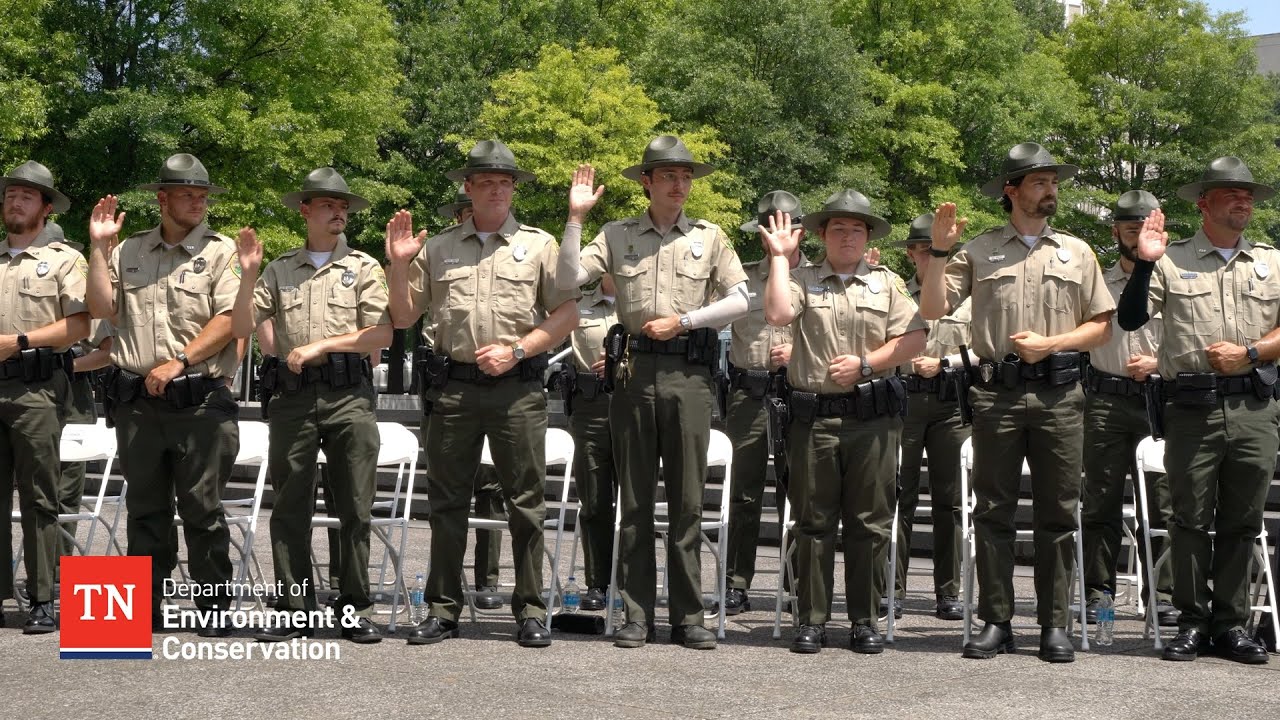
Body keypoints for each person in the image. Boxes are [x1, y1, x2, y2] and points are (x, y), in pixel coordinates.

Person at [919, 142, 1114, 663]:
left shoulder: (1077, 251)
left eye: (1053, 182)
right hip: (996, 395)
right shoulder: (980, 250)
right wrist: (938, 252)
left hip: (1060, 395)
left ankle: (1054, 624)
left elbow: (1100, 328)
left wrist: (1052, 344)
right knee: (993, 511)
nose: (1051, 190)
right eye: (1039, 182)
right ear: (1012, 191)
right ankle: (997, 620)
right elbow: (934, 307)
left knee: (1058, 512)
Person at [555, 137, 751, 649]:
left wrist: (685, 321)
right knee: (636, 502)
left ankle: (689, 617)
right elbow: (567, 278)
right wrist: (575, 219)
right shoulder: (618, 235)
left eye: (686, 176)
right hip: (634, 372)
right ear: (647, 181)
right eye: (668, 176)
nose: (680, 185)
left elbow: (741, 299)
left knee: (687, 501)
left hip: (689, 376)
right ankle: (637, 614)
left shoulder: (709, 238)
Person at [386, 140, 578, 647]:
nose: (496, 190)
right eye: (486, 182)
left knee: (526, 502)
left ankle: (531, 610)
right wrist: (401, 264)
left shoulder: (539, 245)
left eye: (504, 182)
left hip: (516, 388)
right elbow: (404, 317)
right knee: (447, 501)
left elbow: (566, 314)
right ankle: (443, 609)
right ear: (467, 188)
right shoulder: (439, 247)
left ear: (514, 189)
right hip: (452, 388)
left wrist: (518, 350)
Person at [1118, 156, 1278, 664]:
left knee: (1242, 518)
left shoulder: (1272, 262)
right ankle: (1191, 620)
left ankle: (1231, 625)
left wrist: (1250, 353)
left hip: (1253, 407)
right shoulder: (1171, 259)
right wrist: (1144, 261)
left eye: (1248, 194)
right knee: (1187, 518)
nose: (1243, 201)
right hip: (1191, 408)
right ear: (1204, 203)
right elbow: (1129, 317)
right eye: (1232, 193)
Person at [760, 192, 926, 654]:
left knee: (869, 523)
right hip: (813, 419)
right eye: (838, 228)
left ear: (868, 235)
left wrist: (867, 365)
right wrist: (778, 258)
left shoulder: (887, 284)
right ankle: (810, 619)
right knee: (812, 523)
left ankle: (863, 619)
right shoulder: (800, 280)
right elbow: (776, 313)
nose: (848, 236)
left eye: (857, 228)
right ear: (820, 235)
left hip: (872, 420)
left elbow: (914, 338)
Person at [86, 153, 242, 635]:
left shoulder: (221, 252)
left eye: (203, 195)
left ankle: (214, 608)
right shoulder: (128, 250)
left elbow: (231, 318)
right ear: (163, 198)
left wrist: (181, 360)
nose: (199, 202)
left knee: (202, 509)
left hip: (197, 401)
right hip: (135, 402)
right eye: (188, 194)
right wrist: (98, 250)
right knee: (144, 510)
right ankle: (139, 612)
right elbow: (100, 308)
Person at [233, 167, 390, 643]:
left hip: (349, 397)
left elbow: (381, 334)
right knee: (290, 505)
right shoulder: (279, 270)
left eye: (342, 206)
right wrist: (247, 275)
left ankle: (351, 605)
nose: (338, 211)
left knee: (355, 506)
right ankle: (293, 607)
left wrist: (323, 346)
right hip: (294, 398)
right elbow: (242, 325)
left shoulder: (363, 267)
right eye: (327, 204)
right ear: (305, 210)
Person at [1079, 190, 1177, 629]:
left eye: (1145, 228)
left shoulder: (1177, 278)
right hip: (1105, 401)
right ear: (1116, 231)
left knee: (1163, 504)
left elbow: (1194, 339)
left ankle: (1165, 594)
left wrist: (1160, 363)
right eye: (1129, 228)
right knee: (1099, 500)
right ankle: (1098, 593)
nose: (1137, 236)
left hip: (1160, 398)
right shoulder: (1097, 282)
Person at [0, 160, 90, 633]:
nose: (15, 201)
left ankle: (42, 598)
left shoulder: (64, 261)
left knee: (40, 497)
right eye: (11, 194)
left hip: (35, 388)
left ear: (45, 207)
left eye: (27, 196)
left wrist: (19, 341)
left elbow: (80, 325)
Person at [722, 190, 808, 616]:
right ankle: (736, 582)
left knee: (800, 493)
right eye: (767, 228)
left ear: (800, 232)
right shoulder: (739, 276)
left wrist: (799, 354)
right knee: (743, 494)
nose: (774, 236)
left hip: (800, 395)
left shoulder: (816, 278)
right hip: (748, 394)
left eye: (785, 227)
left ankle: (798, 585)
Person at [882, 212, 971, 622]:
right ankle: (892, 589)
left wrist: (947, 362)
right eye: (917, 251)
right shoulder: (896, 297)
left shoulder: (966, 300)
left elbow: (981, 349)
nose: (923, 257)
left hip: (950, 402)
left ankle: (948, 592)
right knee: (899, 496)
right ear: (911, 255)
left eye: (930, 250)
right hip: (905, 401)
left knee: (950, 502)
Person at [437, 189, 505, 611]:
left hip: (502, 385)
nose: (465, 219)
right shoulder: (442, 255)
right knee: (451, 493)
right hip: (450, 386)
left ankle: (489, 581)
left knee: (494, 491)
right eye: (460, 214)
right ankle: (446, 596)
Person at [562, 273, 619, 611]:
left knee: (633, 502)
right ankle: (598, 581)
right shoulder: (577, 304)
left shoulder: (645, 304)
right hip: (590, 406)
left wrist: (624, 363)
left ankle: (630, 583)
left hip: (633, 402)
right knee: (595, 499)